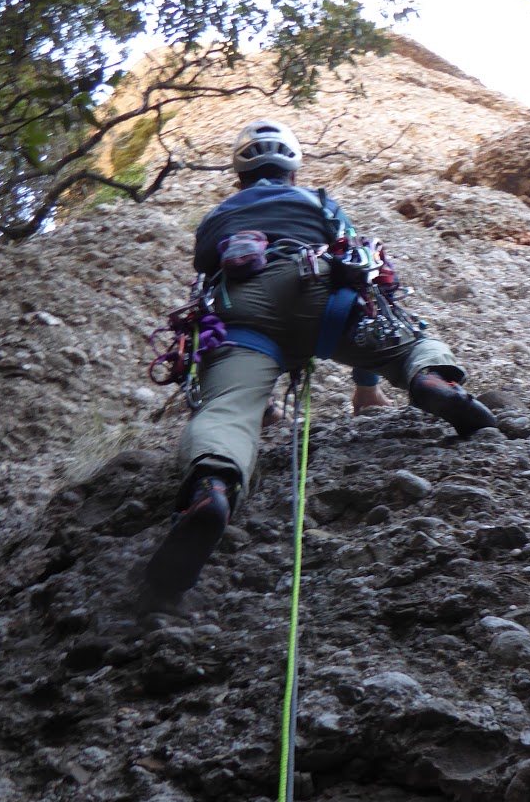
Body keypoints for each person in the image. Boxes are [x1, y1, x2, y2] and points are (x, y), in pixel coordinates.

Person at [144, 119, 496, 603]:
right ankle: (429, 378)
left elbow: (207, 272)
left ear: (239, 174)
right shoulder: (320, 203)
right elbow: (364, 276)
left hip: (245, 316)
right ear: (293, 167)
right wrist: (365, 386)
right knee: (408, 341)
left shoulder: (219, 216)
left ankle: (214, 484)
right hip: (322, 295)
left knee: (227, 408)